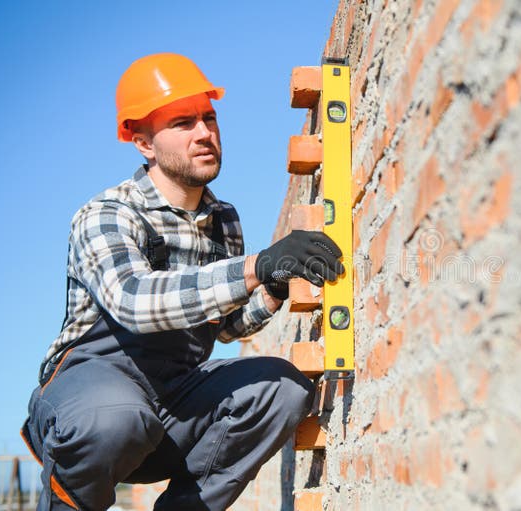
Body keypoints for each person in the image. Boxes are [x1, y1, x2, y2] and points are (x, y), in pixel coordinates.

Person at [21, 53, 344, 511]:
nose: (204, 133)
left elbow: (225, 327)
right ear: (143, 143)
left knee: (282, 390)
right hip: (88, 403)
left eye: (208, 118)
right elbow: (133, 301)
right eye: (182, 123)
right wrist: (256, 266)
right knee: (115, 419)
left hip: (172, 402)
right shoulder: (108, 214)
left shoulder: (223, 220)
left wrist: (272, 287)